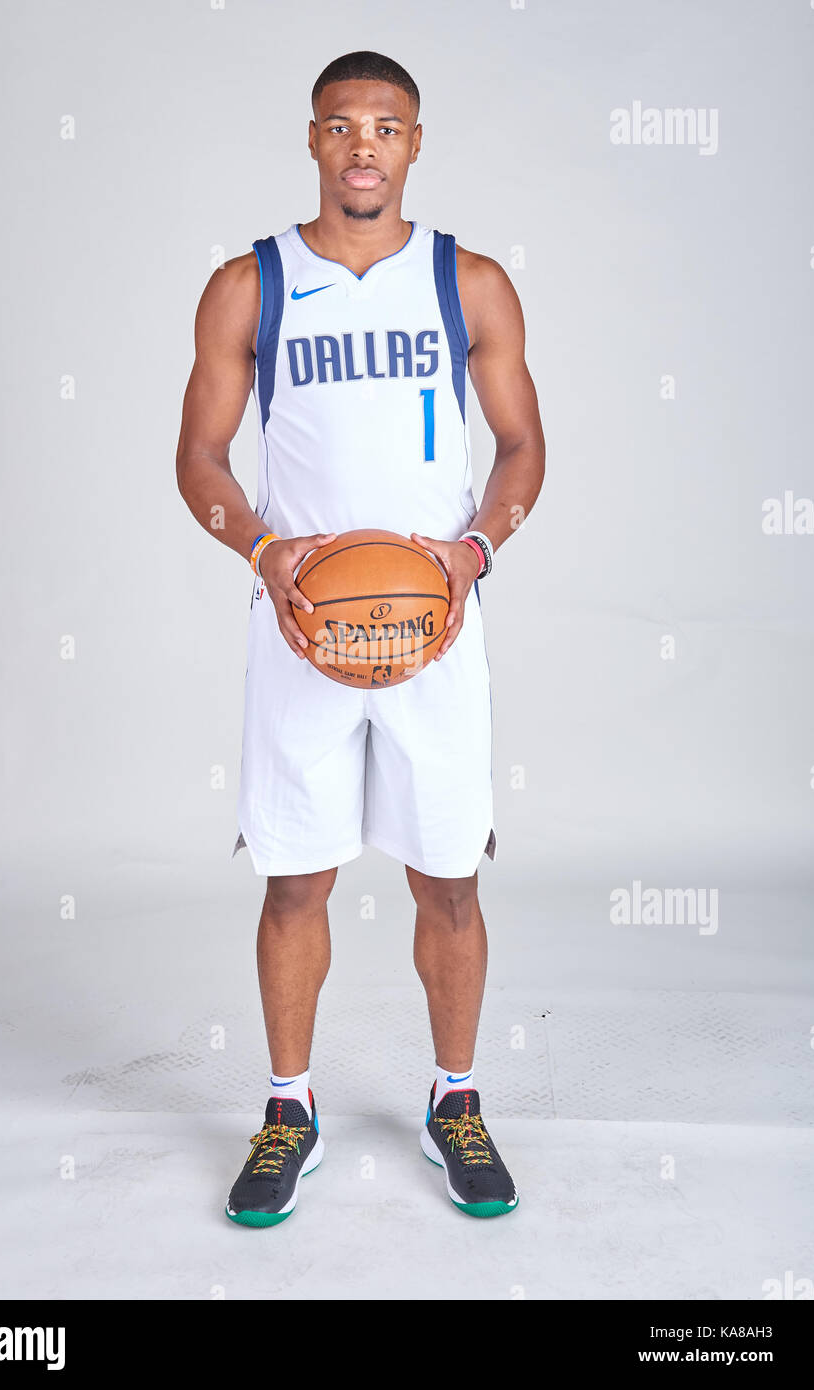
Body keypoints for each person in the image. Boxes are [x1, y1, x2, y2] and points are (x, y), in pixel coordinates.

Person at [176, 50, 545, 1225]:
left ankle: (457, 1099)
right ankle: (290, 1109)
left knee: (449, 882)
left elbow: (523, 449)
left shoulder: (469, 282)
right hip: (301, 627)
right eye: (343, 126)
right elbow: (200, 457)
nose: (366, 146)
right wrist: (264, 549)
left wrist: (475, 549)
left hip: (438, 631)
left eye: (388, 126)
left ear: (417, 144)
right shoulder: (251, 284)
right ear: (314, 141)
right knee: (296, 883)